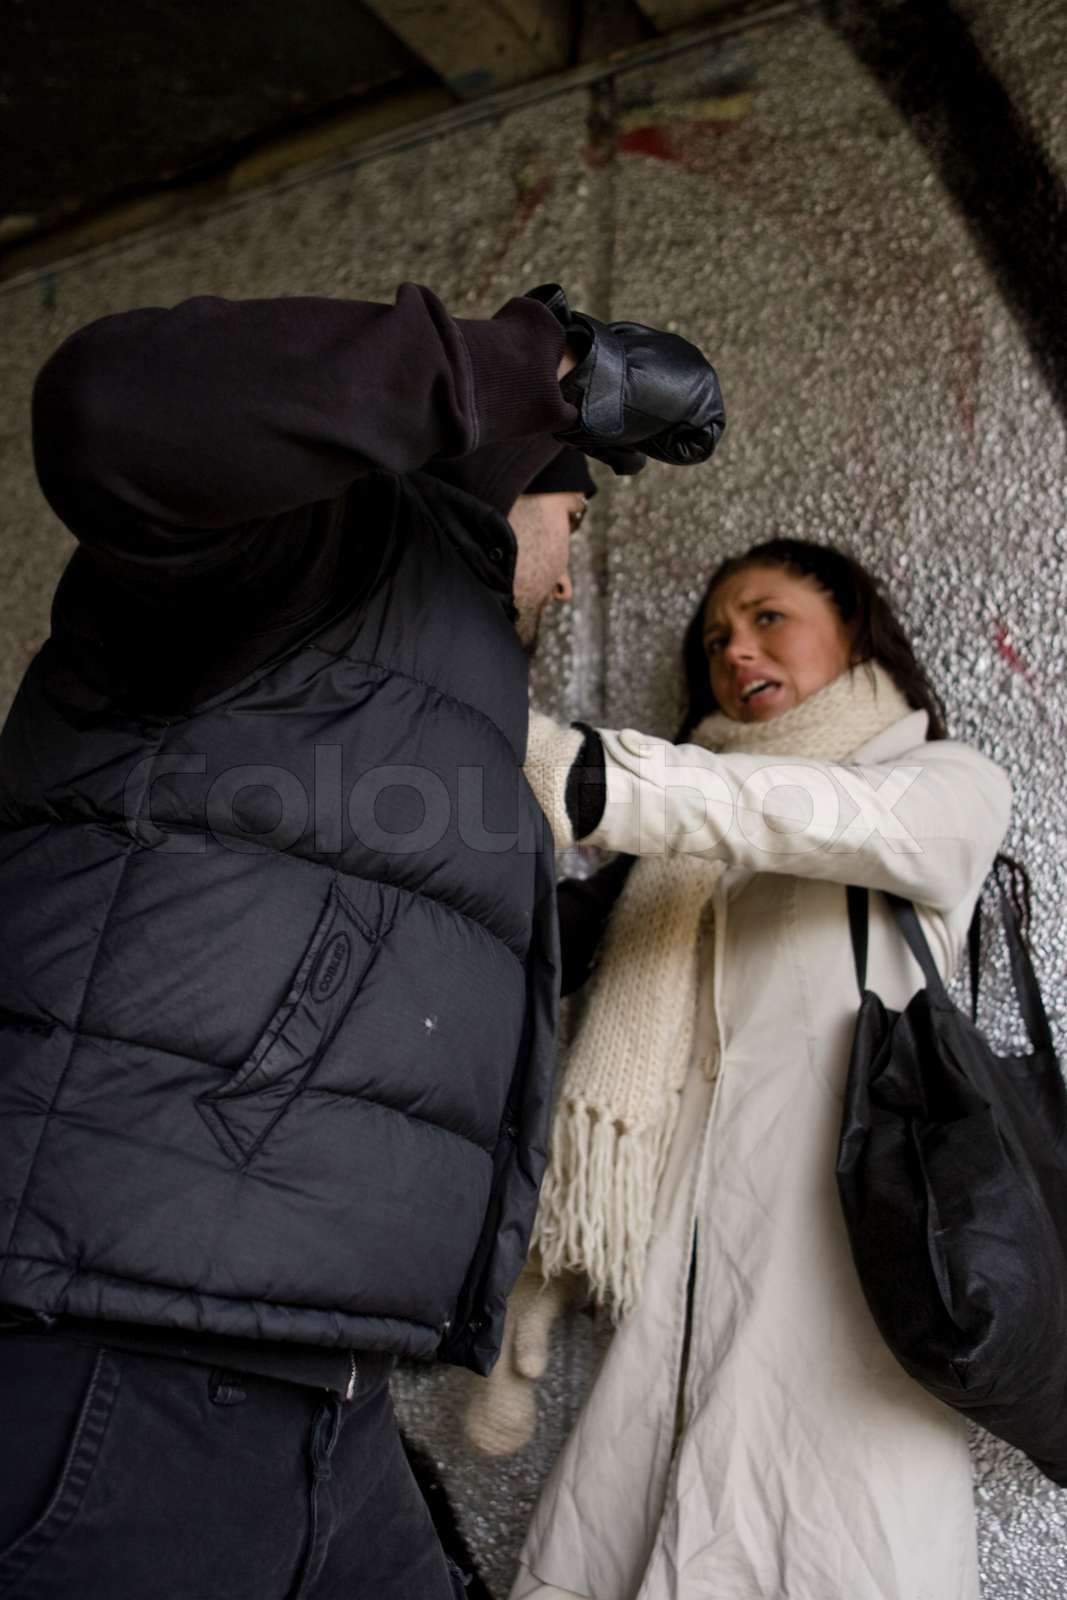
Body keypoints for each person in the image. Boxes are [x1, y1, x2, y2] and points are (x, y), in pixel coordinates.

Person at [0, 282, 723, 1599]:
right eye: (567, 524)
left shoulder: (445, 711)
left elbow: (386, 956)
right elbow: (107, 406)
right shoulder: (294, 551)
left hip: (321, 1400)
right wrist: (539, 370)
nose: (568, 575)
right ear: (500, 475)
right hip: (116, 1351)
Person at [490, 539, 1012, 1600]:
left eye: (766, 616)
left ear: (852, 627)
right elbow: (530, 946)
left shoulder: (941, 786)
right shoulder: (681, 853)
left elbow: (815, 816)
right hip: (668, 1340)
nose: (734, 649)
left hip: (843, 1333)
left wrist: (595, 776)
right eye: (717, 636)